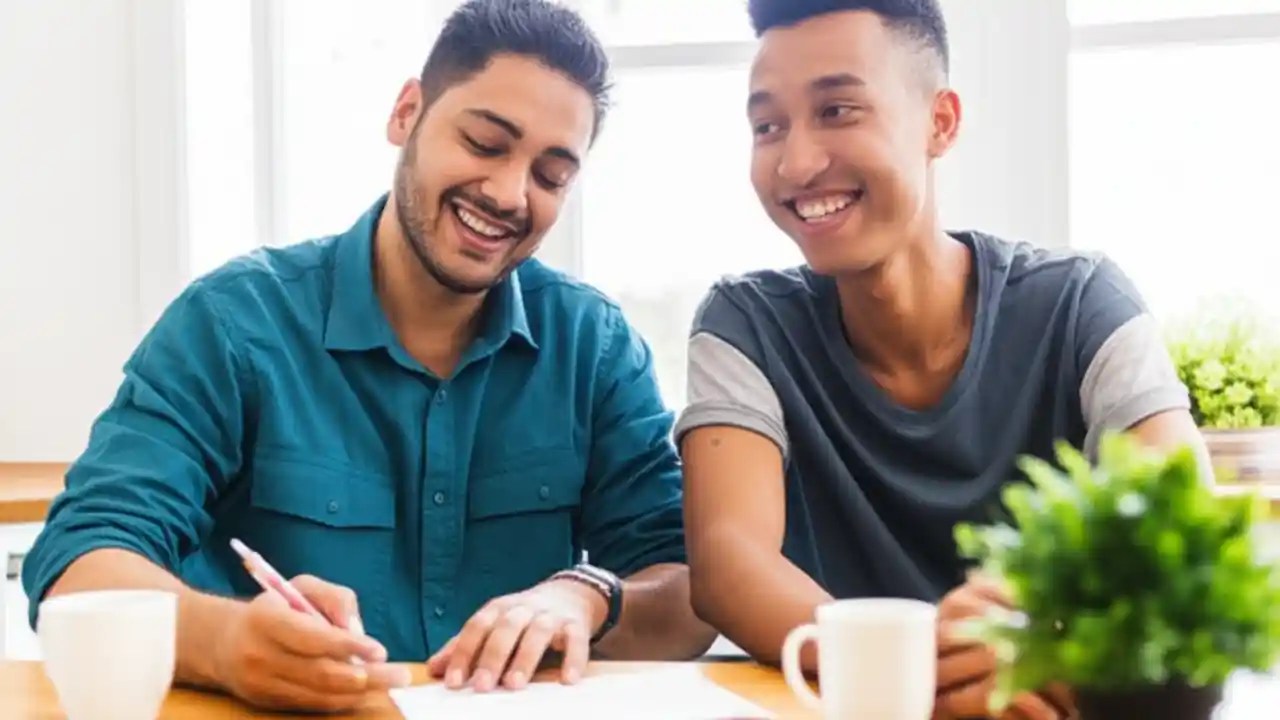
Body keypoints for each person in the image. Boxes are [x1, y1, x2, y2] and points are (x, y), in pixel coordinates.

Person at [22, 0, 713, 712]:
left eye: (551, 175)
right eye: (484, 143)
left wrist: (589, 593)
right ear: (406, 114)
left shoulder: (591, 345)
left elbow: (693, 590)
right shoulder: (233, 323)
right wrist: (225, 644)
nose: (510, 193)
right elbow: (76, 564)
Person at [676, 1, 1210, 718]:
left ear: (941, 122)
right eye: (768, 126)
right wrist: (920, 664)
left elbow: (1181, 538)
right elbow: (728, 566)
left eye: (837, 110)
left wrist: (1043, 637)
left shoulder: (1082, 303)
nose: (795, 162)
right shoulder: (744, 324)